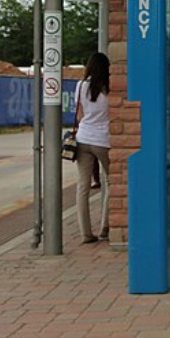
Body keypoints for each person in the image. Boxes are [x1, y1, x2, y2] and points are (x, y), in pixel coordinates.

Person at [74, 52, 111, 243]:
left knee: (83, 187)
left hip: (83, 139)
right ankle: (105, 226)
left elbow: (79, 114)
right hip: (103, 141)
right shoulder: (108, 89)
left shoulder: (80, 86)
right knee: (111, 183)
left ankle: (86, 233)